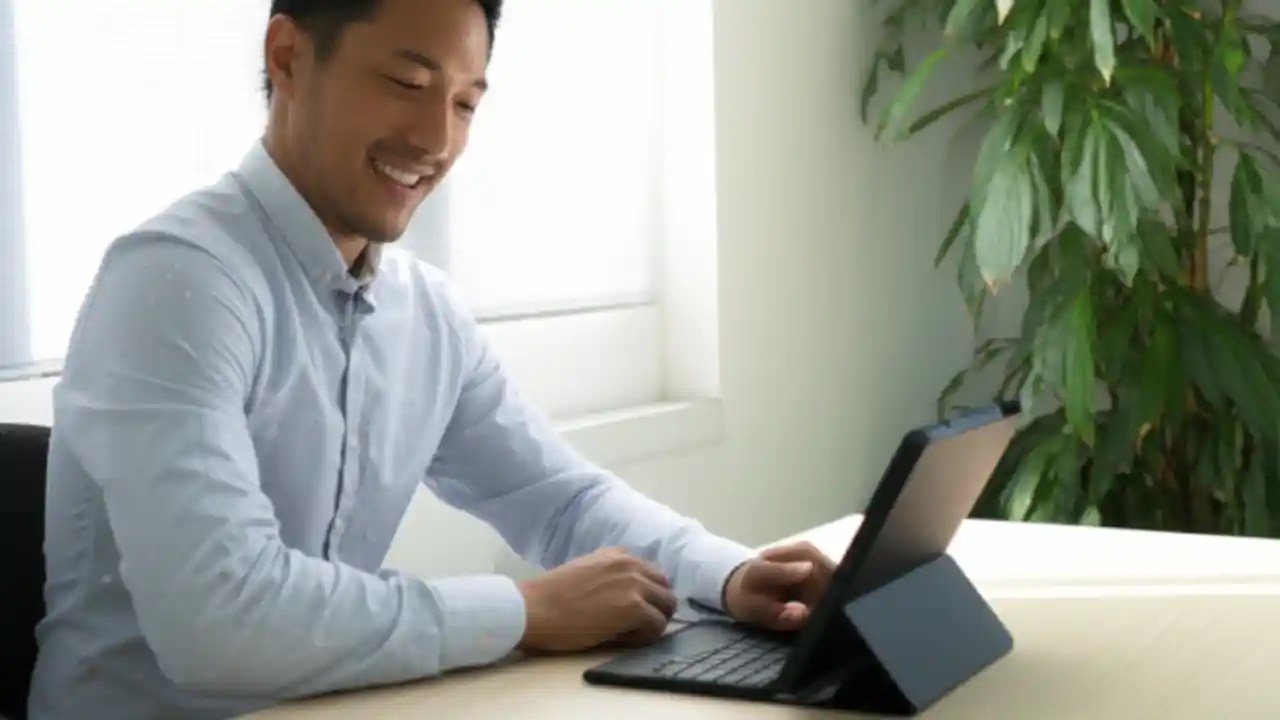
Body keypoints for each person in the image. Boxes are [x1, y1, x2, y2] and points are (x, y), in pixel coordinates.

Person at [27, 0, 835, 718]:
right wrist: (526, 612)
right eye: (407, 84)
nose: (436, 140)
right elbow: (219, 622)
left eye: (464, 103)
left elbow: (559, 500)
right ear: (287, 58)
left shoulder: (423, 311)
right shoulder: (176, 281)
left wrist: (732, 578)